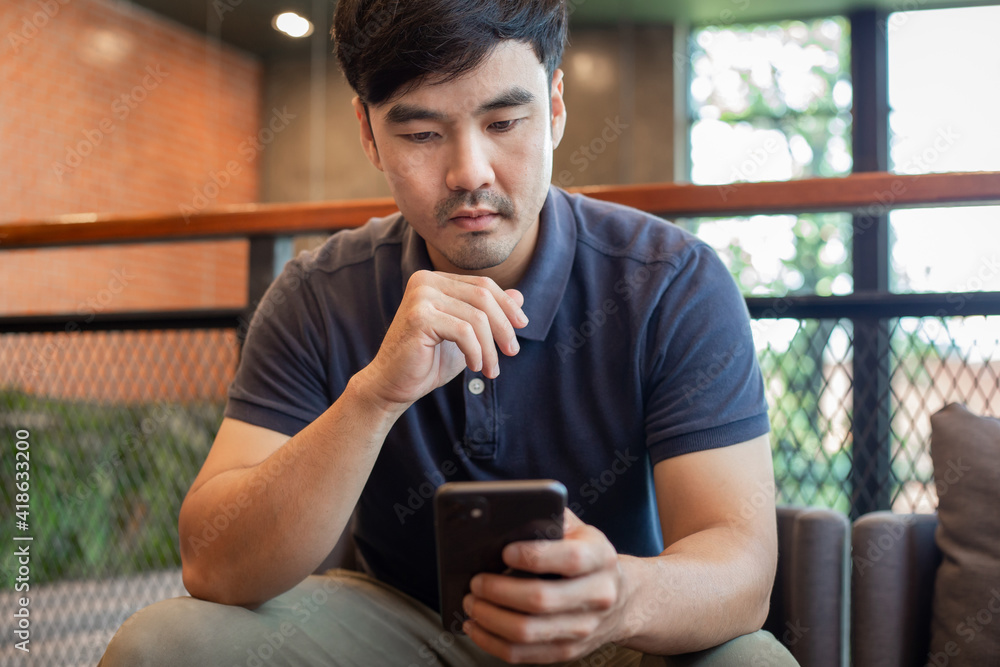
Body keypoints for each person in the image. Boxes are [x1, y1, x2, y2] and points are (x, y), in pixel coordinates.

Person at [99, 0, 798, 664]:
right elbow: (213, 562)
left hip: (611, 635)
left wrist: (622, 596)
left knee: (753, 658)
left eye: (502, 123)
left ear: (554, 107)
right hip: (395, 628)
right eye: (422, 134)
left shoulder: (670, 282)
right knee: (160, 645)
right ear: (369, 135)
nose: (469, 172)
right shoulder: (319, 294)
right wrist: (372, 397)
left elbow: (741, 564)